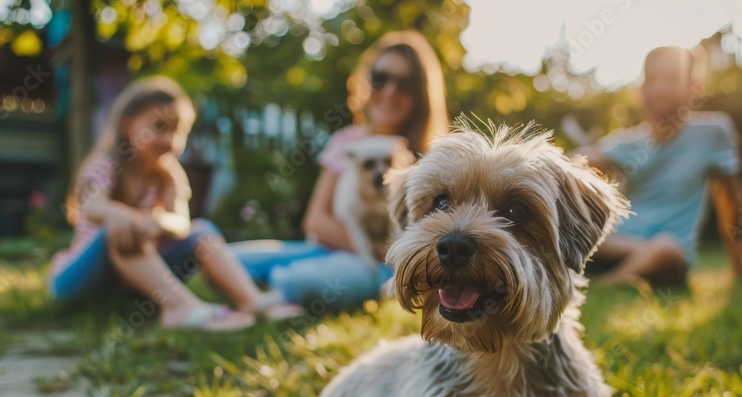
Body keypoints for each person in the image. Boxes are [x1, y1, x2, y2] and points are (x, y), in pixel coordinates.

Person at [49, 77, 299, 331]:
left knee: (202, 230)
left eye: (178, 131)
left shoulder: (169, 176)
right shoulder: (105, 165)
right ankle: (180, 308)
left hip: (135, 282)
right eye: (159, 127)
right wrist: (130, 219)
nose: (169, 139)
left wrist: (158, 222)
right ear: (127, 125)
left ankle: (252, 300)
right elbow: (92, 207)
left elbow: (182, 223)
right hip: (80, 280)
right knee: (120, 229)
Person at [230, 30, 450, 308]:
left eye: (405, 83)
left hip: (380, 266)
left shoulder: (433, 160)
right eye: (380, 78)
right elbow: (315, 221)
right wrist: (372, 247)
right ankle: (273, 288)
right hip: (325, 250)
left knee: (303, 281)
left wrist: (382, 255)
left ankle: (277, 289)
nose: (390, 91)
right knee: (228, 259)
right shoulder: (347, 142)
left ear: (421, 94)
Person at [577, 46, 742, 287]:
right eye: (652, 78)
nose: (660, 88)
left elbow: (730, 198)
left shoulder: (712, 133)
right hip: (614, 245)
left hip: (668, 255)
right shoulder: (626, 142)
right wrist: (582, 159)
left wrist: (739, 263)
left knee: (667, 248)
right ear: (640, 89)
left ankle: (609, 284)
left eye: (671, 78)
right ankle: (621, 276)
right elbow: (585, 164)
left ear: (695, 88)